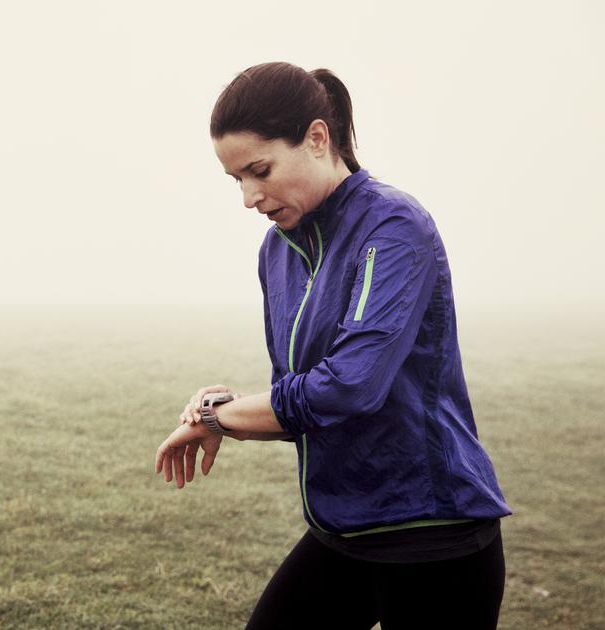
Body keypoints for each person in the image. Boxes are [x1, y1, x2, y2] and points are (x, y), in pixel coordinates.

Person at [153, 62, 512, 629]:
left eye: (260, 170)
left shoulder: (394, 228)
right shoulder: (277, 253)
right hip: (341, 529)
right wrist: (220, 412)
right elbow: (300, 398)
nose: (249, 196)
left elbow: (347, 387)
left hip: (433, 536)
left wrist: (221, 417)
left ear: (317, 138)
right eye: (236, 179)